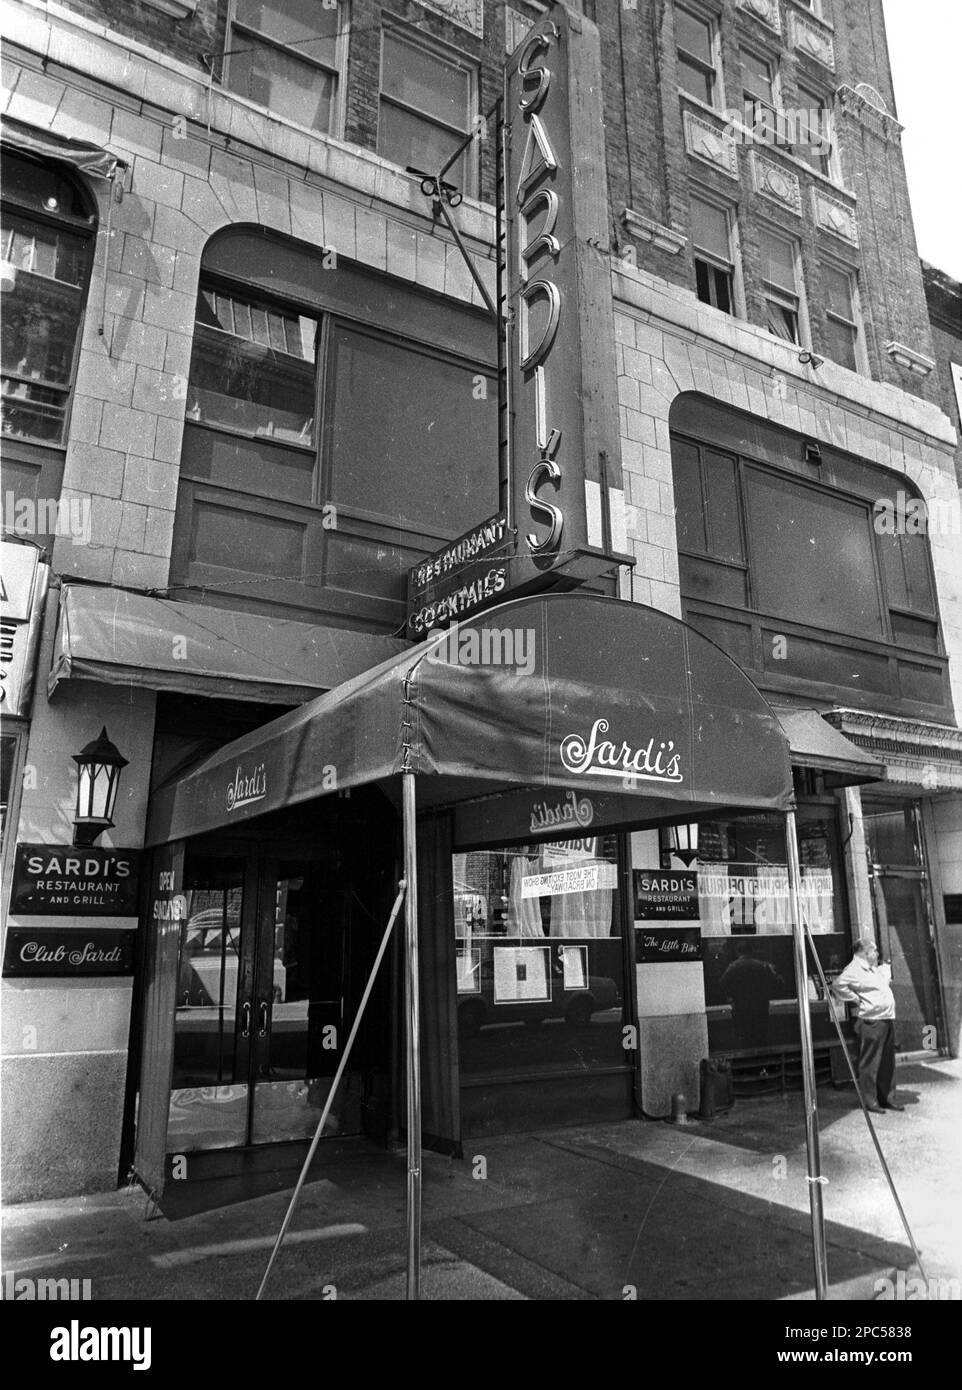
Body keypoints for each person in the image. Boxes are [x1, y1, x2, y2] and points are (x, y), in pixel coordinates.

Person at [832, 937, 904, 1114]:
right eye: (874, 950)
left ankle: (888, 1098)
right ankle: (870, 1101)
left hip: (886, 1018)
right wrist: (855, 998)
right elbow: (837, 985)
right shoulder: (854, 969)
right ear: (865, 953)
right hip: (872, 1021)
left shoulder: (872, 968)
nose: (877, 953)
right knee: (870, 1064)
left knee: (887, 1062)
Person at [720, 940, 784, 1049]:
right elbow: (779, 982)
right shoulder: (762, 966)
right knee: (761, 1037)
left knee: (744, 1039)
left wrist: (731, 998)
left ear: (737, 952)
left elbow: (723, 983)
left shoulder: (733, 967)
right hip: (760, 1007)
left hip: (741, 1008)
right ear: (752, 951)